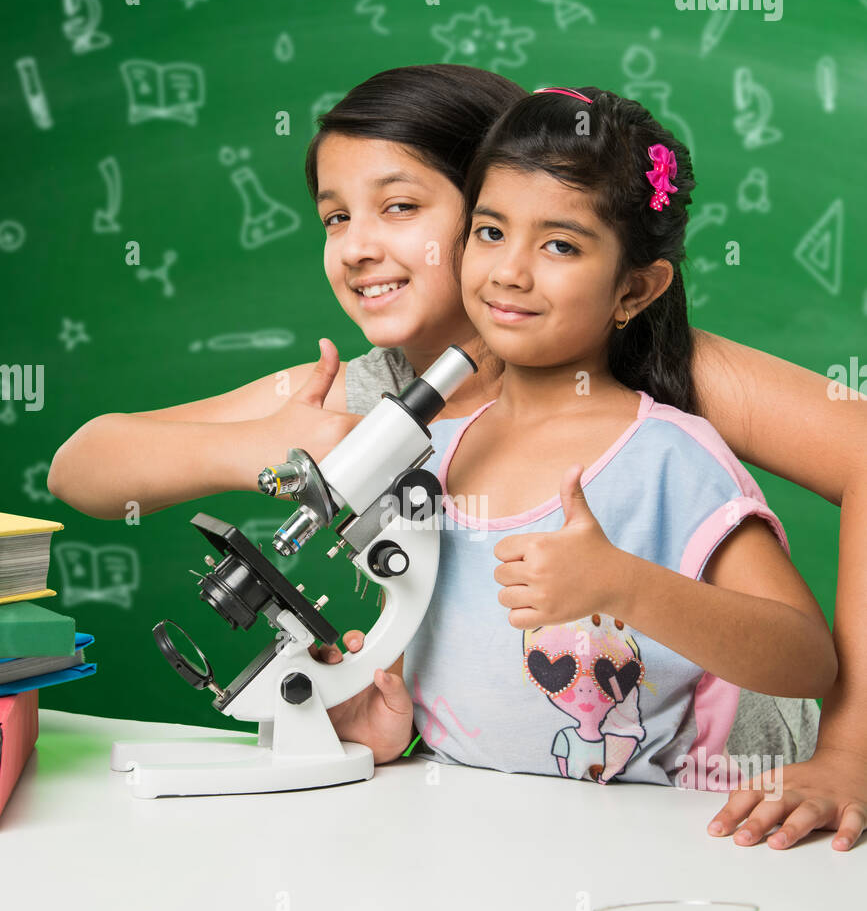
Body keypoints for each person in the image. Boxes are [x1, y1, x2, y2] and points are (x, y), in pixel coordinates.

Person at [46, 66, 867, 848]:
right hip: (513, 822)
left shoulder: (656, 388)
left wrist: (848, 751)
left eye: (399, 207)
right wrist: (256, 451)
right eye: (335, 217)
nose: (359, 246)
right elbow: (80, 469)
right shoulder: (359, 398)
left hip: (720, 806)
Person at [325, 85, 838, 801]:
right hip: (462, 850)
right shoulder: (433, 457)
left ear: (633, 290)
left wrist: (622, 584)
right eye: (490, 231)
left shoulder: (667, 458)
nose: (509, 270)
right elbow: (452, 682)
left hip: (641, 857)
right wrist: (392, 723)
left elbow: (804, 660)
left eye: (560, 244)